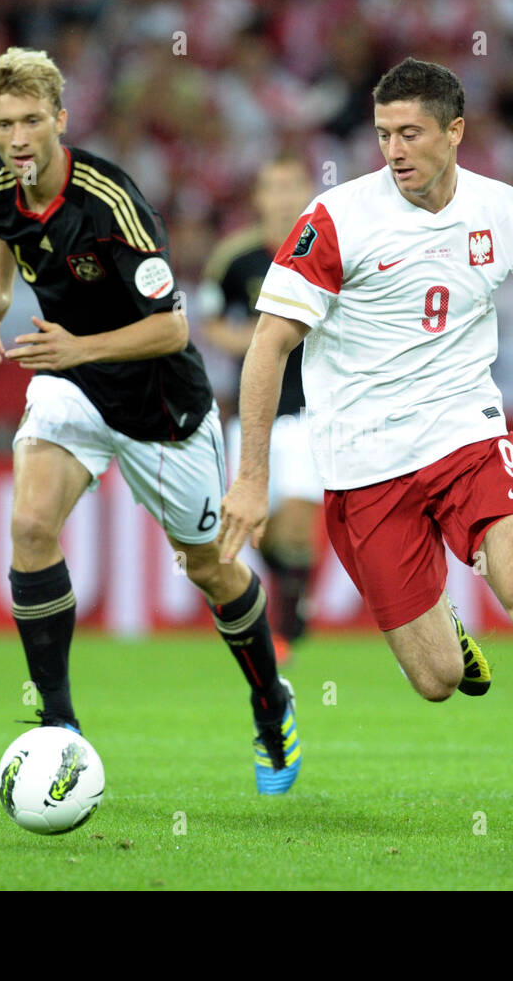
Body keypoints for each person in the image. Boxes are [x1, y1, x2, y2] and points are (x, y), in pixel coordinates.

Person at [219, 58, 513, 847]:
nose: (394, 149)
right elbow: (268, 346)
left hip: (467, 433)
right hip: (363, 465)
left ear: (455, 132)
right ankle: (445, 628)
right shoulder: (336, 218)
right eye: (383, 134)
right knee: (435, 681)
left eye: (411, 133)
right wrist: (252, 479)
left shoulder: (506, 212)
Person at [0, 47, 299, 794]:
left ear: (61, 118)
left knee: (210, 567)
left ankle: (269, 700)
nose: (17, 139)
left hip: (160, 406)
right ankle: (59, 724)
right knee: (29, 528)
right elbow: (6, 227)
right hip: (70, 383)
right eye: (2, 124)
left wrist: (78, 344)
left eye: (30, 122)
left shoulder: (112, 202)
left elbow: (175, 329)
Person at [200, 154, 321, 654]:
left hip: (312, 409)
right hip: (252, 411)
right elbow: (208, 320)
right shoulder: (235, 258)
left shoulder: (327, 249)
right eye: (274, 187)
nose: (284, 196)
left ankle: (286, 627)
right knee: (258, 526)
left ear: (309, 191)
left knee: (296, 519)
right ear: (259, 198)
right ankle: (293, 602)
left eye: (293, 185)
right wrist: (256, 342)